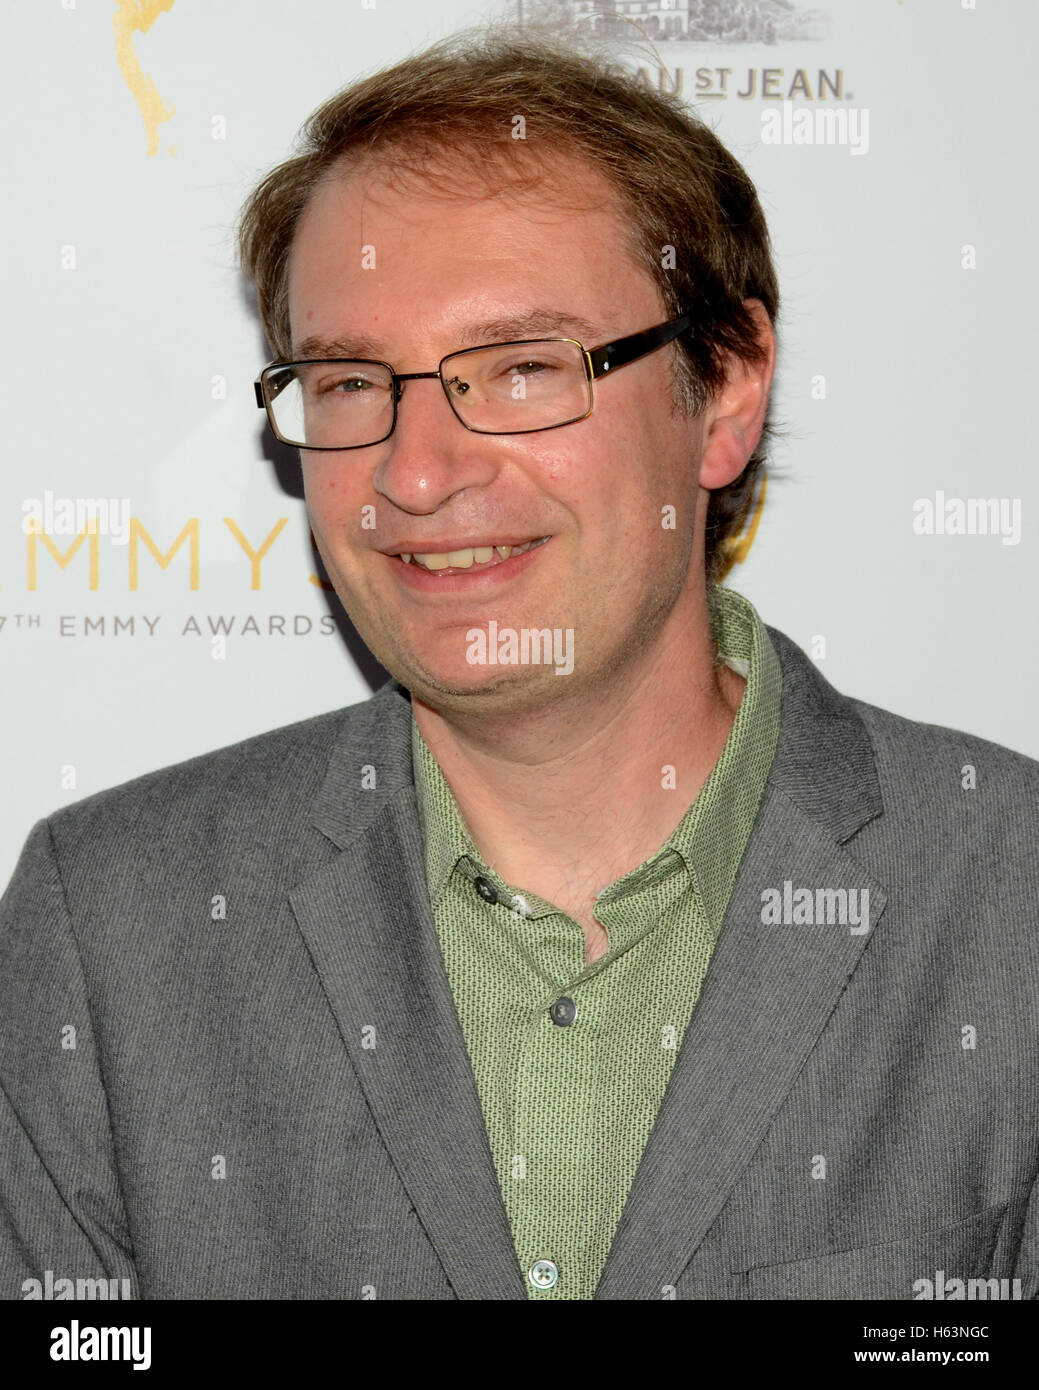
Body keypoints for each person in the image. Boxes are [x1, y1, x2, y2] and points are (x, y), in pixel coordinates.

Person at [2, 29, 1036, 1303]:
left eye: (522, 370)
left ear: (724, 393)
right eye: (348, 381)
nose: (418, 472)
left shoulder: (1009, 895)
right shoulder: (112, 922)